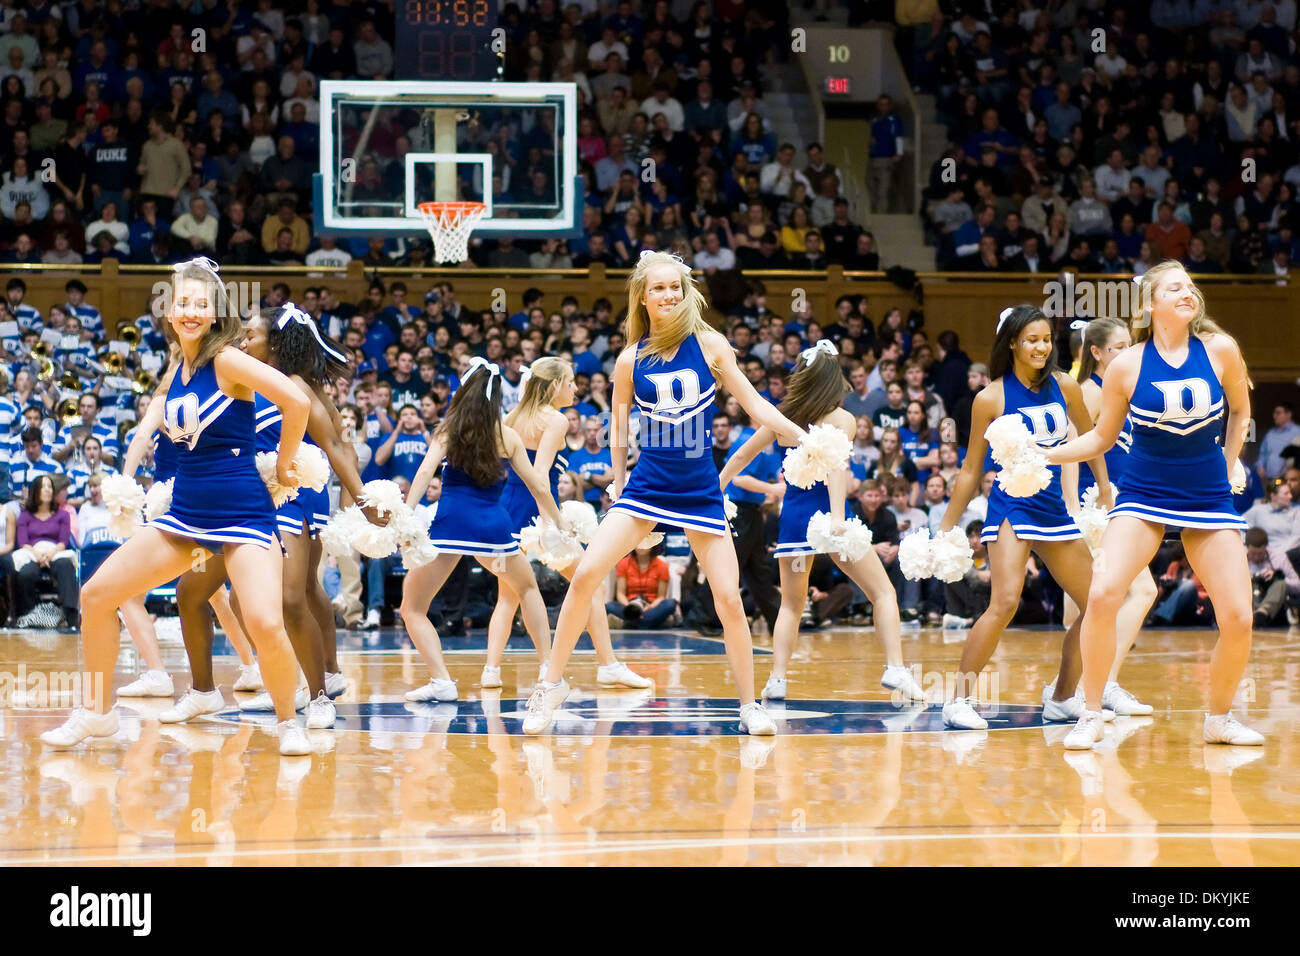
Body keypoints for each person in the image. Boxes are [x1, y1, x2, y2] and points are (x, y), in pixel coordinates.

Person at [523, 250, 806, 737]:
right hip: (647, 485)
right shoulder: (631, 359)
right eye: (658, 288)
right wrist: (617, 483)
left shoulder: (712, 344)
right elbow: (617, 428)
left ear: (686, 291)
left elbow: (757, 404)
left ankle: (748, 705)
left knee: (728, 599)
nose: (668, 294)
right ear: (643, 297)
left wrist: (804, 438)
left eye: (675, 286)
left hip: (699, 489)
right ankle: (550, 685)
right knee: (587, 573)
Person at [40, 257, 313, 755]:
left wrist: (287, 463)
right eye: (181, 302)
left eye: (199, 304)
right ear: (169, 310)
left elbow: (297, 403)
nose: (189, 311)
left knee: (265, 622)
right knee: (98, 595)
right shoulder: (180, 367)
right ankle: (98, 715)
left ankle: (290, 721)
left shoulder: (226, 360)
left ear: (214, 313)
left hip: (245, 518)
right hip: (186, 517)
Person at [1045, 262, 1262, 749]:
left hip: (1208, 495)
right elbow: (1101, 437)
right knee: (1103, 596)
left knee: (1240, 617)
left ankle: (1219, 719)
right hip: (1142, 495)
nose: (1188, 293)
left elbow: (1242, 410)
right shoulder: (1127, 364)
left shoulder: (1221, 350)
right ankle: (1091, 712)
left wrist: (1228, 464)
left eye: (1189, 286)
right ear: (1150, 304)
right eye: (1174, 288)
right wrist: (1045, 453)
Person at [178, 304, 385, 729]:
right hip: (247, 500)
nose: (241, 339)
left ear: (274, 343)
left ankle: (321, 693)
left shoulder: (296, 386)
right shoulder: (237, 379)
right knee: (223, 595)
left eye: (250, 335)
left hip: (294, 496)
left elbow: (334, 445)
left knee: (293, 597)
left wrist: (364, 502)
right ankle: (247, 685)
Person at [936, 304, 1112, 731]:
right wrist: (945, 527)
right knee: (1005, 602)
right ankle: (959, 700)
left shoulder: (1066, 386)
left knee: (1097, 603)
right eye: (1031, 339)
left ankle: (1063, 696)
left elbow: (1093, 440)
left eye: (1046, 339)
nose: (1040, 347)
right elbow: (970, 470)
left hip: (1054, 508)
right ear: (1013, 342)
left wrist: (1105, 488)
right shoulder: (990, 397)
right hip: (1012, 506)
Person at [718, 339, 924, 702]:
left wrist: (714, 489)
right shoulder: (843, 418)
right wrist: (839, 519)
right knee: (883, 592)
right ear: (833, 379)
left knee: (791, 605)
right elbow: (835, 468)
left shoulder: (781, 418)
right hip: (830, 520)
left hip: (795, 522)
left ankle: (777, 681)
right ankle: (895, 668)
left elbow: (739, 458)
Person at [399, 358, 569, 702]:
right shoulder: (508, 435)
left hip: (450, 526)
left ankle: (441, 681)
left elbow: (422, 474)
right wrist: (560, 525)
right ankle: (548, 670)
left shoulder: (449, 430)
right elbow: (538, 485)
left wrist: (406, 514)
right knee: (527, 589)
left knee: (412, 607)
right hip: (494, 529)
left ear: (464, 392)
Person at [484, 356, 650, 690]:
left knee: (509, 595)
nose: (575, 387)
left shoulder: (514, 416)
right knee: (590, 585)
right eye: (571, 381)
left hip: (506, 511)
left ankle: (491, 671)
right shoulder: (555, 420)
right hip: (536, 514)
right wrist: (553, 524)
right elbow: (540, 477)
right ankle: (608, 664)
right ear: (555, 384)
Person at [1060, 317, 1157, 716]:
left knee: (1082, 607)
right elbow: (1069, 450)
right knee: (1141, 591)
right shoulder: (1089, 391)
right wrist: (1071, 508)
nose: (1126, 352)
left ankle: (1073, 689)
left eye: (1129, 345)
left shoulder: (1120, 390)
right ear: (1095, 353)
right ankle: (1101, 685)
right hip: (1095, 507)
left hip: (1119, 503)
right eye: (1117, 346)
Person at [12, 474, 79, 627]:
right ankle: (28, 615)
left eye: (50, 486)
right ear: (36, 491)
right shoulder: (25, 516)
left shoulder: (63, 515)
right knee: (25, 574)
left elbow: (63, 541)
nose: (48, 490)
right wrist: (39, 556)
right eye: (44, 487)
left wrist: (49, 555)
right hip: (32, 552)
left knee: (65, 566)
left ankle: (71, 616)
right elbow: (23, 542)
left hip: (55, 551)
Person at [607, 544, 677, 628]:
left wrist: (650, 607)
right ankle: (649, 623)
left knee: (670, 604)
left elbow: (661, 596)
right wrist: (629, 607)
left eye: (646, 543)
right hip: (629, 605)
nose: (641, 546)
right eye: (639, 543)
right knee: (609, 606)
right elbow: (620, 593)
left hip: (651, 606)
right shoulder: (623, 563)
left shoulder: (662, 565)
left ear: (653, 544)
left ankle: (630, 623)